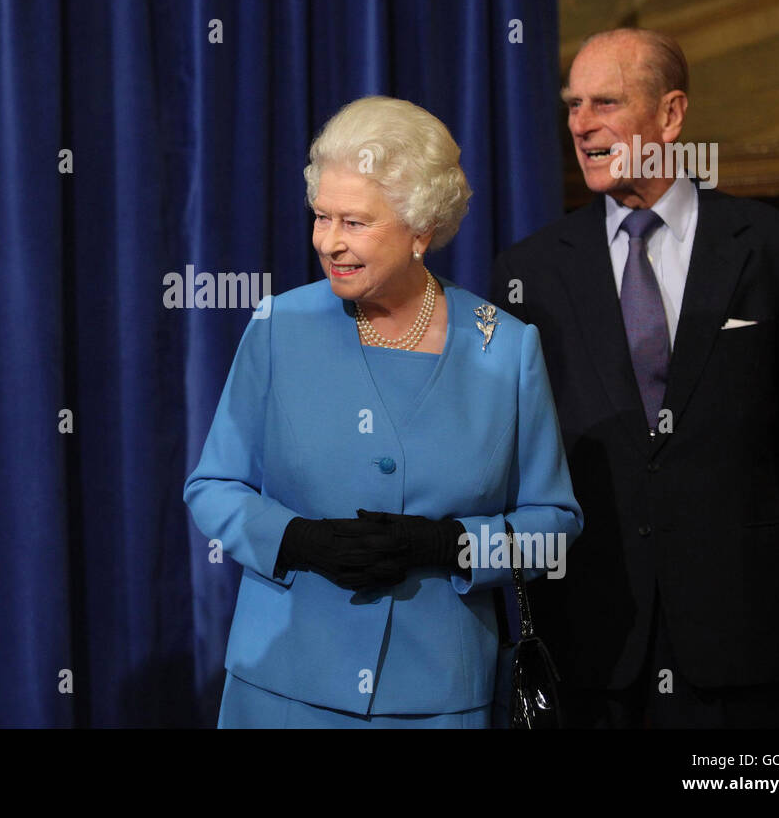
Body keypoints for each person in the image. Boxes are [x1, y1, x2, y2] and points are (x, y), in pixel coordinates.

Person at [184, 96, 582, 728]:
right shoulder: (277, 327)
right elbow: (212, 487)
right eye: (321, 218)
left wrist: (450, 545)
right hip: (282, 688)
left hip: (436, 699)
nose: (329, 243)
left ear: (421, 229)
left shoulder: (505, 347)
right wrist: (298, 540)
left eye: (355, 223)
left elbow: (554, 524)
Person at [491, 28, 779, 727]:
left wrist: (710, 516)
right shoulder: (529, 272)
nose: (581, 125)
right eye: (573, 105)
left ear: (671, 115)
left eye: (605, 103)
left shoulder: (774, 252)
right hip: (589, 631)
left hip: (729, 629)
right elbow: (518, 440)